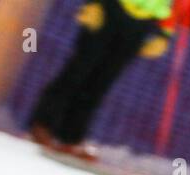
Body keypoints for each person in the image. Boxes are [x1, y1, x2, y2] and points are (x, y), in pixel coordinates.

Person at [28, 0, 173, 160]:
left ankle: (70, 138)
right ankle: (42, 124)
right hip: (110, 7)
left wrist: (164, 33)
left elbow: (179, 4)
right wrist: (92, 3)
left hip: (144, 22)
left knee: (102, 82)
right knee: (79, 69)